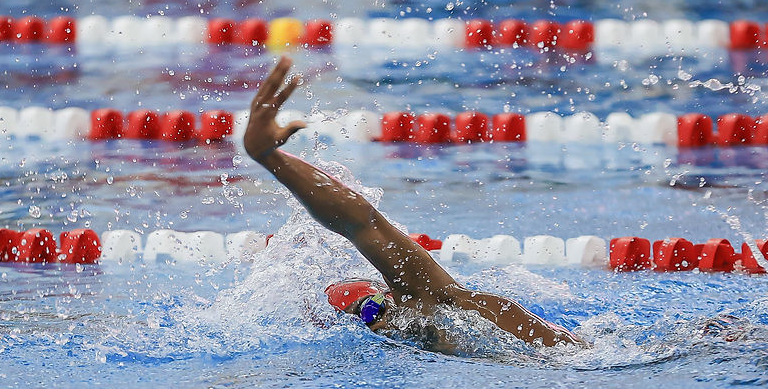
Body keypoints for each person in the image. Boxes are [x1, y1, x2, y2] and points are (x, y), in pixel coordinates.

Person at [243, 57, 585, 350]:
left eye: (372, 308)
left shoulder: (437, 305)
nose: (375, 320)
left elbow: (361, 222)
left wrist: (272, 160)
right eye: (364, 315)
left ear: (391, 293)